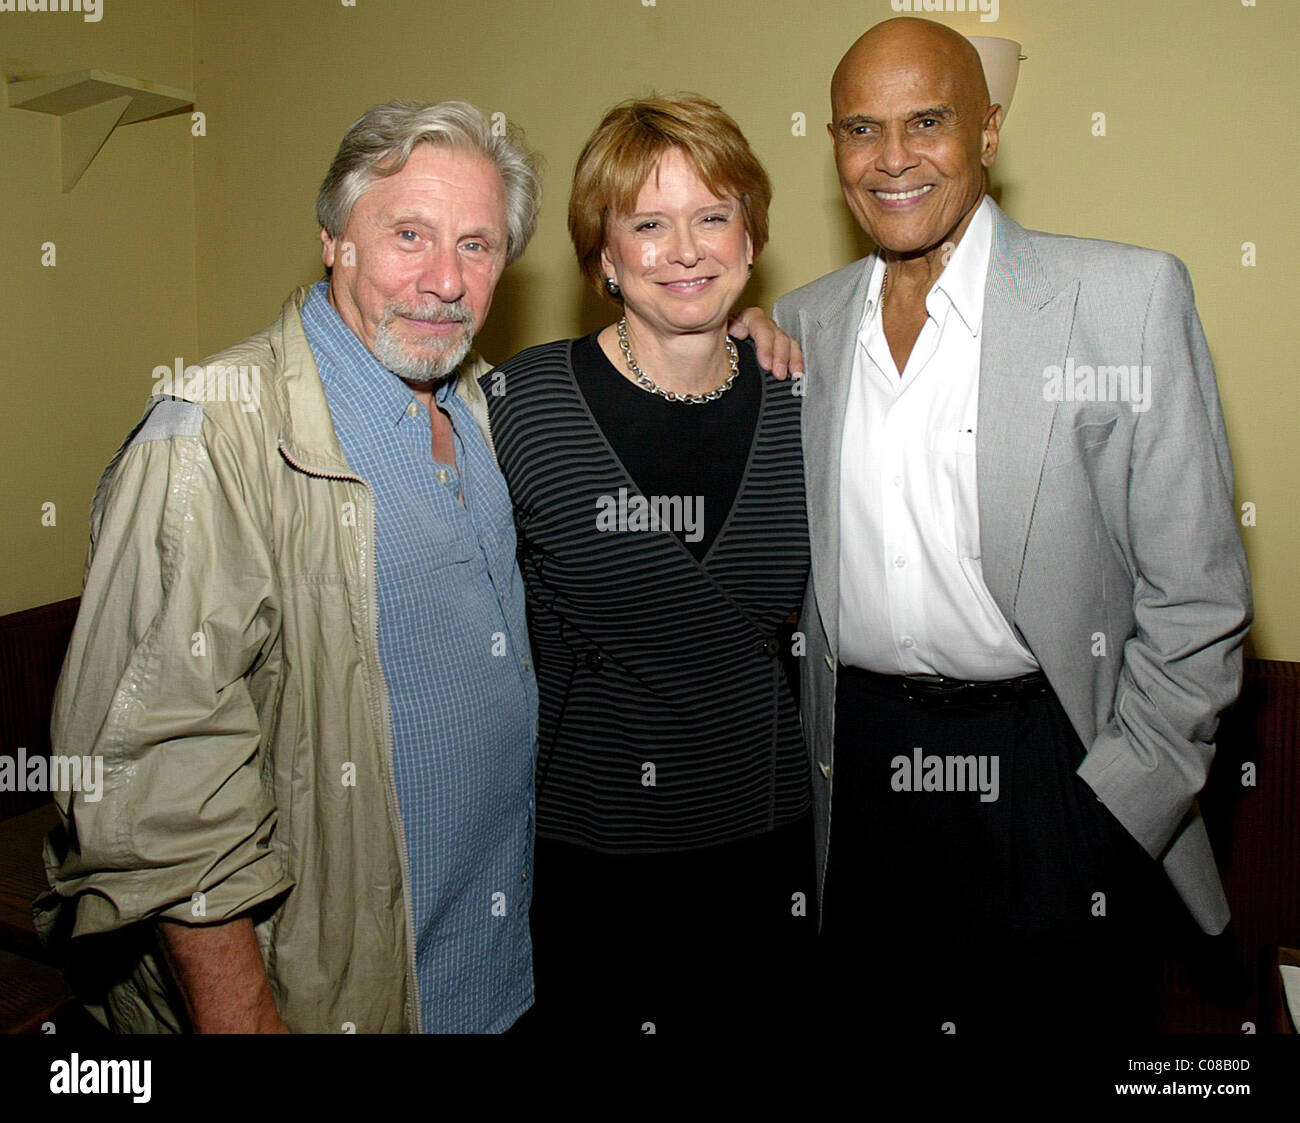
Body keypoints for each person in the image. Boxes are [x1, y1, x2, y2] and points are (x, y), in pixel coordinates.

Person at [38, 98, 798, 1035]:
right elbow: (155, 782)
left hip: (501, 960)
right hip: (329, 981)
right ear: (332, 240)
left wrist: (760, 327)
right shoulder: (214, 435)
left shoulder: (477, 409)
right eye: (409, 234)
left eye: (476, 246)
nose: (444, 279)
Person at [773, 18, 1252, 1034]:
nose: (892, 158)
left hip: (1050, 767)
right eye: (861, 129)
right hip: (857, 772)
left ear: (988, 132)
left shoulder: (1123, 301)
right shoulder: (800, 327)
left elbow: (1199, 599)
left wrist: (1112, 812)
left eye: (927, 121)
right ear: (832, 146)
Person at [487, 94, 814, 1033]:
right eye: (649, 223)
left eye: (713, 217)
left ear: (751, 239)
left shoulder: (805, 398)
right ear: (603, 256)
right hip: (592, 862)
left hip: (769, 845)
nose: (686, 250)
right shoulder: (515, 404)